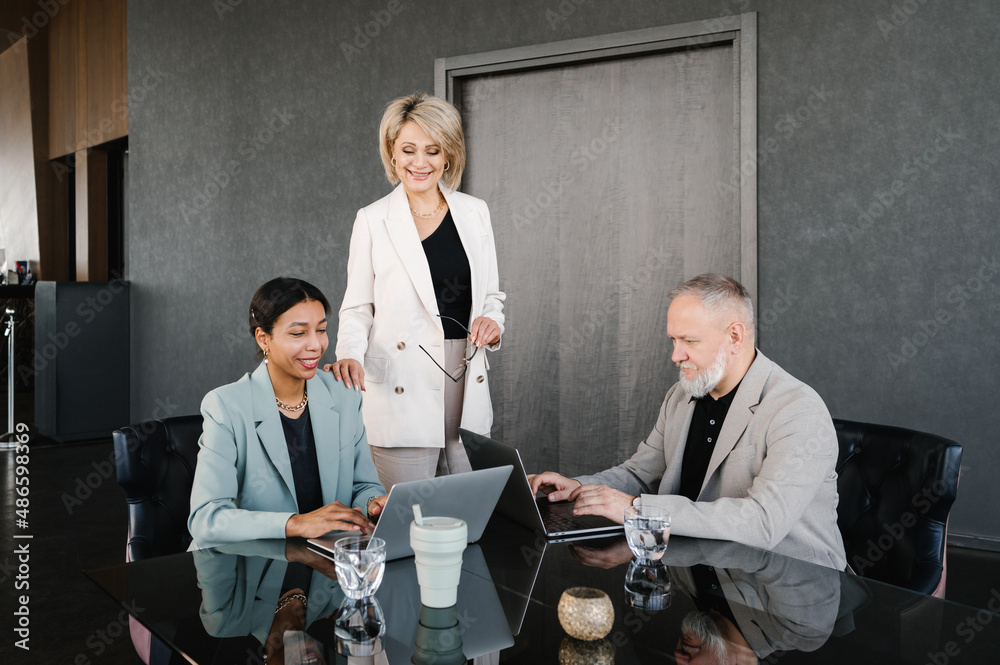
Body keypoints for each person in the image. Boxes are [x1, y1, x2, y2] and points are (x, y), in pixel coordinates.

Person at [529, 273, 846, 569]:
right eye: (673, 340)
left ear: (735, 336)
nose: (675, 355)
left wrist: (638, 509)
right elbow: (641, 475)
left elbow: (763, 521)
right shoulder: (681, 396)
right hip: (706, 573)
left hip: (789, 596)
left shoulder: (797, 411)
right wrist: (580, 488)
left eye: (689, 341)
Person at [328, 92, 505, 490]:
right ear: (392, 152)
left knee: (467, 517)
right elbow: (357, 307)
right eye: (408, 150)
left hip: (464, 374)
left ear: (448, 155)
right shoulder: (373, 220)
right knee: (407, 521)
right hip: (399, 386)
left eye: (432, 150)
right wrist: (349, 356)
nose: (419, 162)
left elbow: (492, 296)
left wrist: (492, 322)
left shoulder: (475, 212)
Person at [189, 277, 387, 549]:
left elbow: (364, 487)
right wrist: (296, 523)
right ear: (263, 338)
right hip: (250, 564)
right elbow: (207, 518)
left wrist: (372, 504)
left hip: (326, 566)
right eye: (298, 333)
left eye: (321, 330)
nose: (316, 345)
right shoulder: (225, 406)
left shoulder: (343, 395)